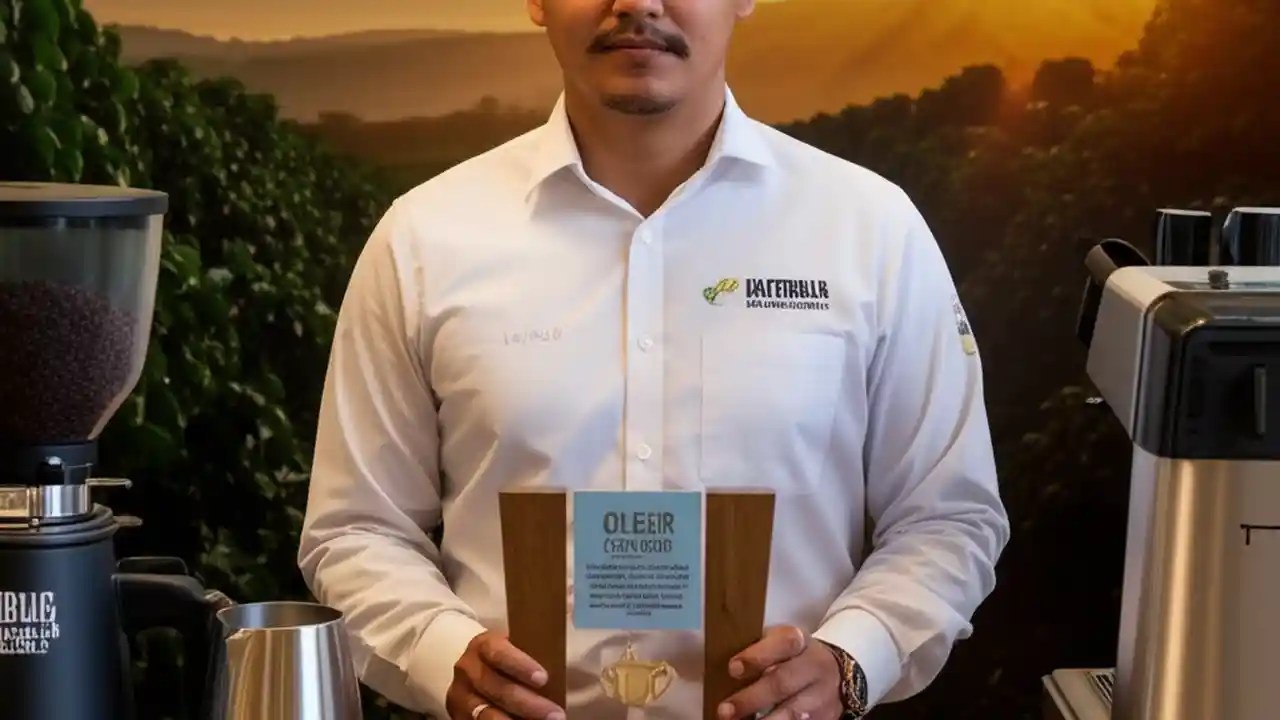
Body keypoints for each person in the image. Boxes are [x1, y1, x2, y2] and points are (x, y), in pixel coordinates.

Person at [297, 0, 1010, 718]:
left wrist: (850, 660)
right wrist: (440, 653)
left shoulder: (872, 228)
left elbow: (946, 517)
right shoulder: (423, 238)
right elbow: (358, 528)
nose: (637, 3)